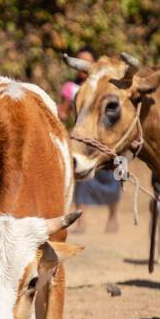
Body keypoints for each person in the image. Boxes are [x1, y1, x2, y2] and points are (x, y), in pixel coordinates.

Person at [65, 47, 123, 233]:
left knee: (113, 179)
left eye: (88, 62)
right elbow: (64, 112)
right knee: (82, 182)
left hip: (104, 142)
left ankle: (113, 217)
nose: (84, 67)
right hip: (81, 142)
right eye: (81, 62)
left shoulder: (106, 87)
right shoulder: (71, 88)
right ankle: (81, 220)